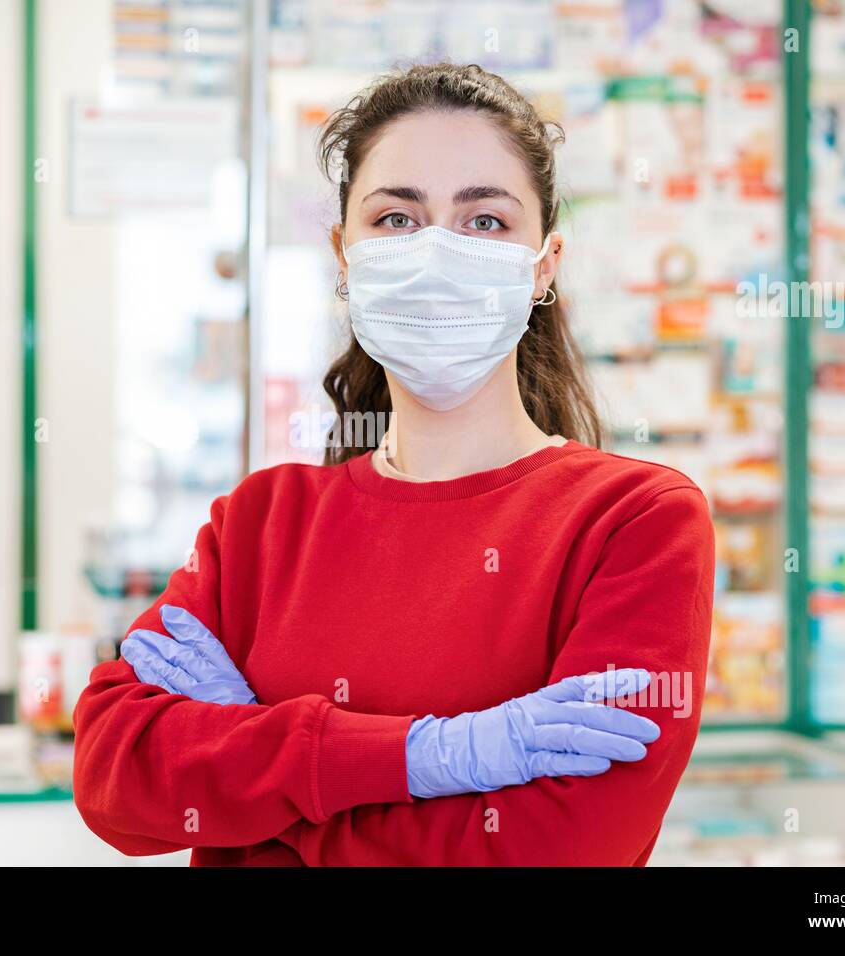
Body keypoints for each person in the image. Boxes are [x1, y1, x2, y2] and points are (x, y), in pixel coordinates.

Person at [72, 62, 715, 866]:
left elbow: (565, 847)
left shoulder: (634, 520)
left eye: (484, 221)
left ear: (543, 265)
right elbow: (113, 779)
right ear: (343, 253)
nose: (438, 252)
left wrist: (265, 781)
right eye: (396, 219)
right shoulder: (262, 523)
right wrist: (430, 758)